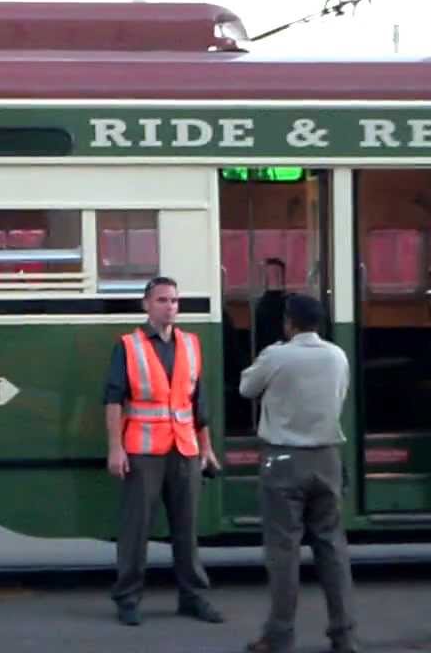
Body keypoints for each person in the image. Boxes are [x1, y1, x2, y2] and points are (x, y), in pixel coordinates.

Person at [239, 294, 358, 653]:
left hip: (284, 460)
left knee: (284, 551)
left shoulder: (277, 355)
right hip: (327, 459)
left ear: (289, 322)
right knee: (332, 548)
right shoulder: (338, 355)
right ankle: (344, 635)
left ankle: (279, 635)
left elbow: (247, 388)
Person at [104, 276, 224, 626]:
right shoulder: (128, 345)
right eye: (161, 300)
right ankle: (127, 598)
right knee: (135, 529)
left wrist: (207, 448)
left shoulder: (191, 344)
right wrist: (115, 448)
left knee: (187, 529)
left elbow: (198, 402)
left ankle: (193, 597)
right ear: (146, 305)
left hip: (184, 448)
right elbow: (113, 400)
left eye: (173, 300)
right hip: (142, 449)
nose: (169, 306)